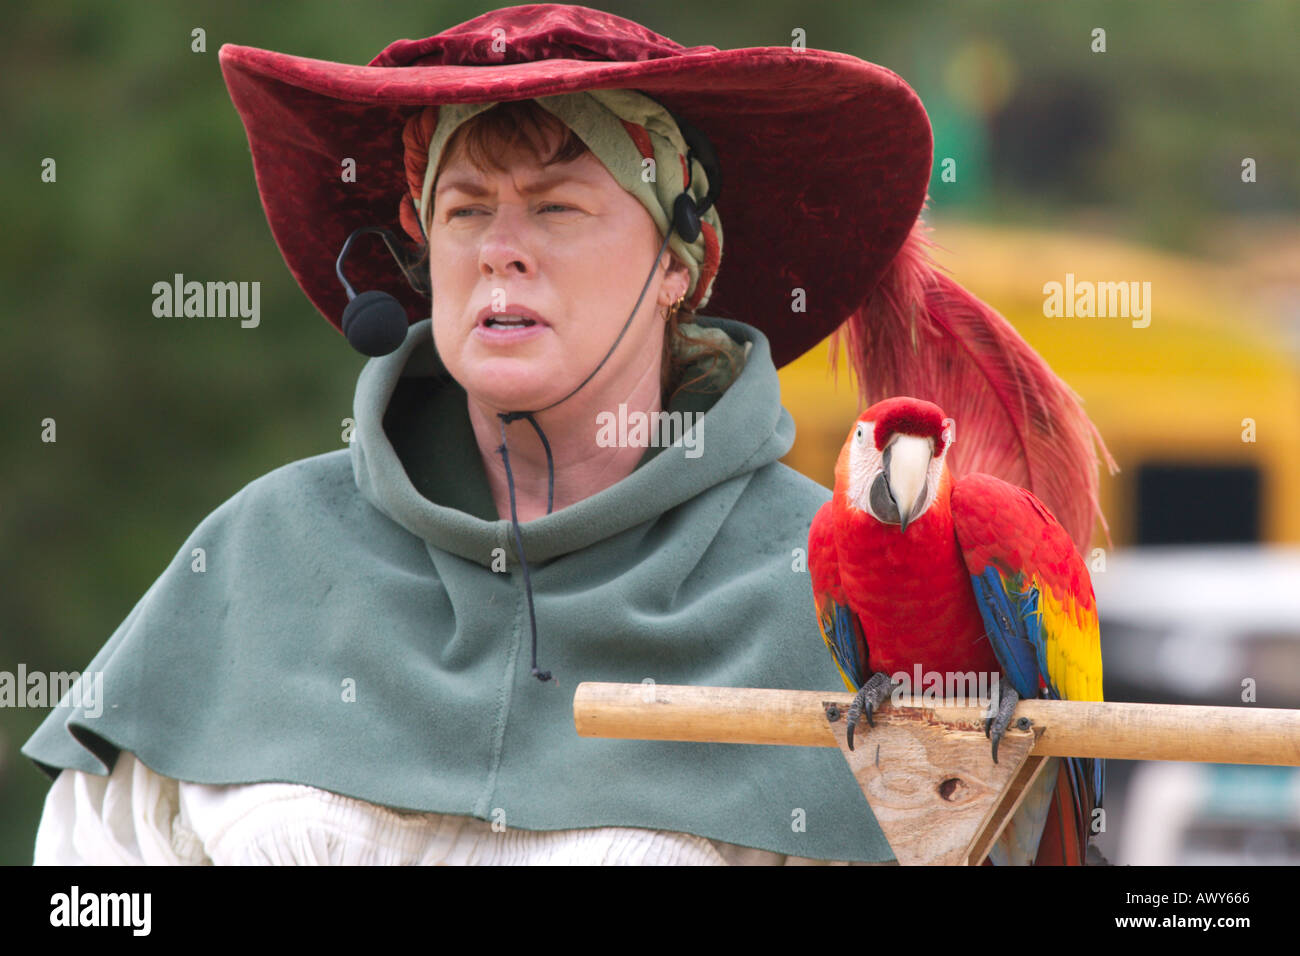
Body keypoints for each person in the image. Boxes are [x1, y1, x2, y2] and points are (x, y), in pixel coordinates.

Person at [21, 5, 1109, 865]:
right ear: (419, 246)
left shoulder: (825, 589)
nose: (501, 249)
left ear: (681, 264)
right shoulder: (256, 553)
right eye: (462, 208)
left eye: (557, 207)